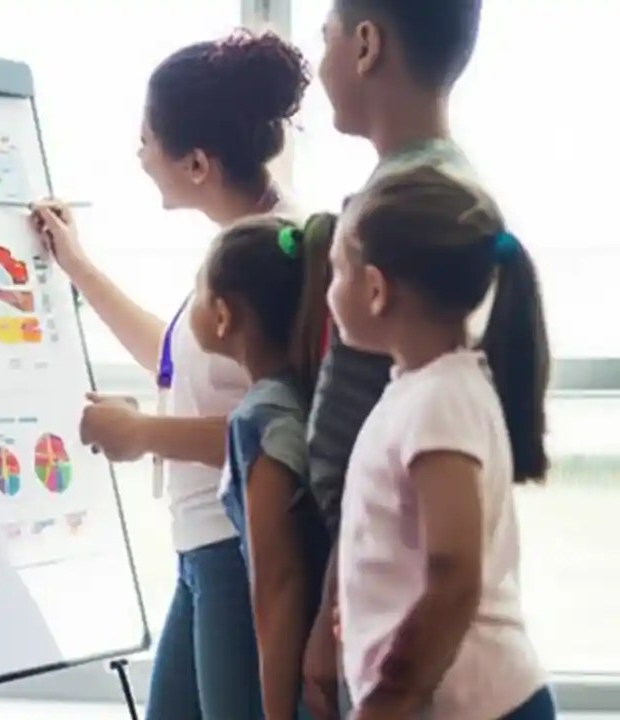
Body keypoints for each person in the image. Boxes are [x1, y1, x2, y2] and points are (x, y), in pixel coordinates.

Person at [32, 29, 310, 719]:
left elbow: (275, 433)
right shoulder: (243, 247)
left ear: (195, 164)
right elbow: (175, 354)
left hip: (234, 551)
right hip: (203, 551)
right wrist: (77, 265)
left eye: (148, 137)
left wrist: (143, 433)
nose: (138, 151)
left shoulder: (277, 255)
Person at [305, 2, 487, 714]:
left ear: (366, 46)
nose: (320, 63)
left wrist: (327, 615)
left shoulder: (405, 213)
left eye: (325, 40)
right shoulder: (436, 193)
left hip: (384, 594)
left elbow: (377, 441)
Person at [327, 166, 554, 719]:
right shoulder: (425, 390)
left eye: (337, 271)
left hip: (478, 707)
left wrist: (390, 697)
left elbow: (454, 575)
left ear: (376, 290)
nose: (330, 289)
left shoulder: (439, 401)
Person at [189, 213, 337, 718]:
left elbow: (281, 585)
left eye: (197, 290)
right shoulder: (299, 394)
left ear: (223, 315)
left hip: (311, 675)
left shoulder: (261, 418)